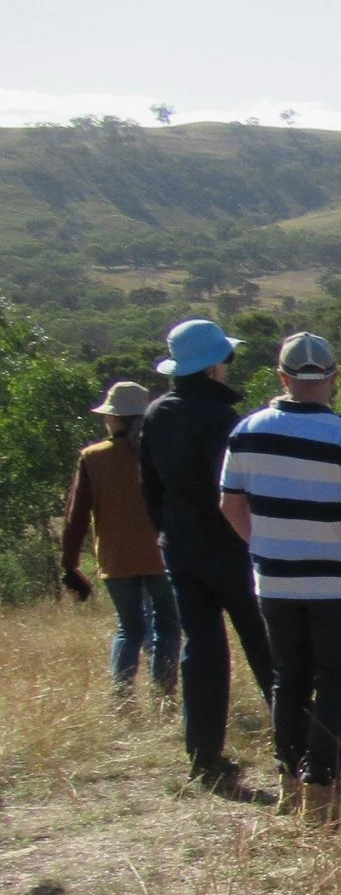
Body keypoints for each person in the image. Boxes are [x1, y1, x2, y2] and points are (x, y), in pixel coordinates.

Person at [218, 333, 341, 813]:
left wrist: (265, 547)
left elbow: (230, 505)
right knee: (336, 680)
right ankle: (321, 785)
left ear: (282, 377)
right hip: (337, 581)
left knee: (289, 677)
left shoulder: (246, 431)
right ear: (333, 376)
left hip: (275, 580)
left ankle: (288, 777)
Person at [137, 317, 275, 788]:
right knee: (263, 641)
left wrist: (168, 534)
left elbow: (149, 487)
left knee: (201, 649)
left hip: (181, 549)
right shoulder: (222, 419)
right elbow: (240, 492)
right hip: (232, 547)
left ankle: (204, 755)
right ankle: (299, 736)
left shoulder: (156, 414)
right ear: (214, 365)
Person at [61, 380, 178, 695]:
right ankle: (164, 695)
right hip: (162, 555)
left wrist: (70, 565)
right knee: (167, 626)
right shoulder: (163, 452)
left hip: (116, 559)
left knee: (130, 628)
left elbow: (75, 518)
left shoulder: (93, 457)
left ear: (114, 418)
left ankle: (121, 697)